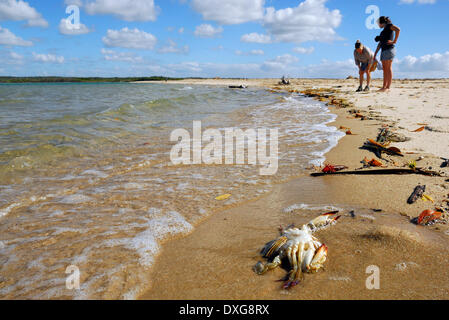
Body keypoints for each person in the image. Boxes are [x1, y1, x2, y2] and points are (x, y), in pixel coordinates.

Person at [373, 16, 401, 92]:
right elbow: (379, 44)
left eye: (378, 24)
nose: (378, 25)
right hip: (384, 50)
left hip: (389, 49)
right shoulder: (383, 31)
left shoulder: (389, 26)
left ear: (381, 23)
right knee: (385, 69)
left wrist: (394, 41)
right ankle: (384, 87)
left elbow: (398, 30)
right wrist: (375, 54)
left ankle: (388, 87)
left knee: (388, 68)